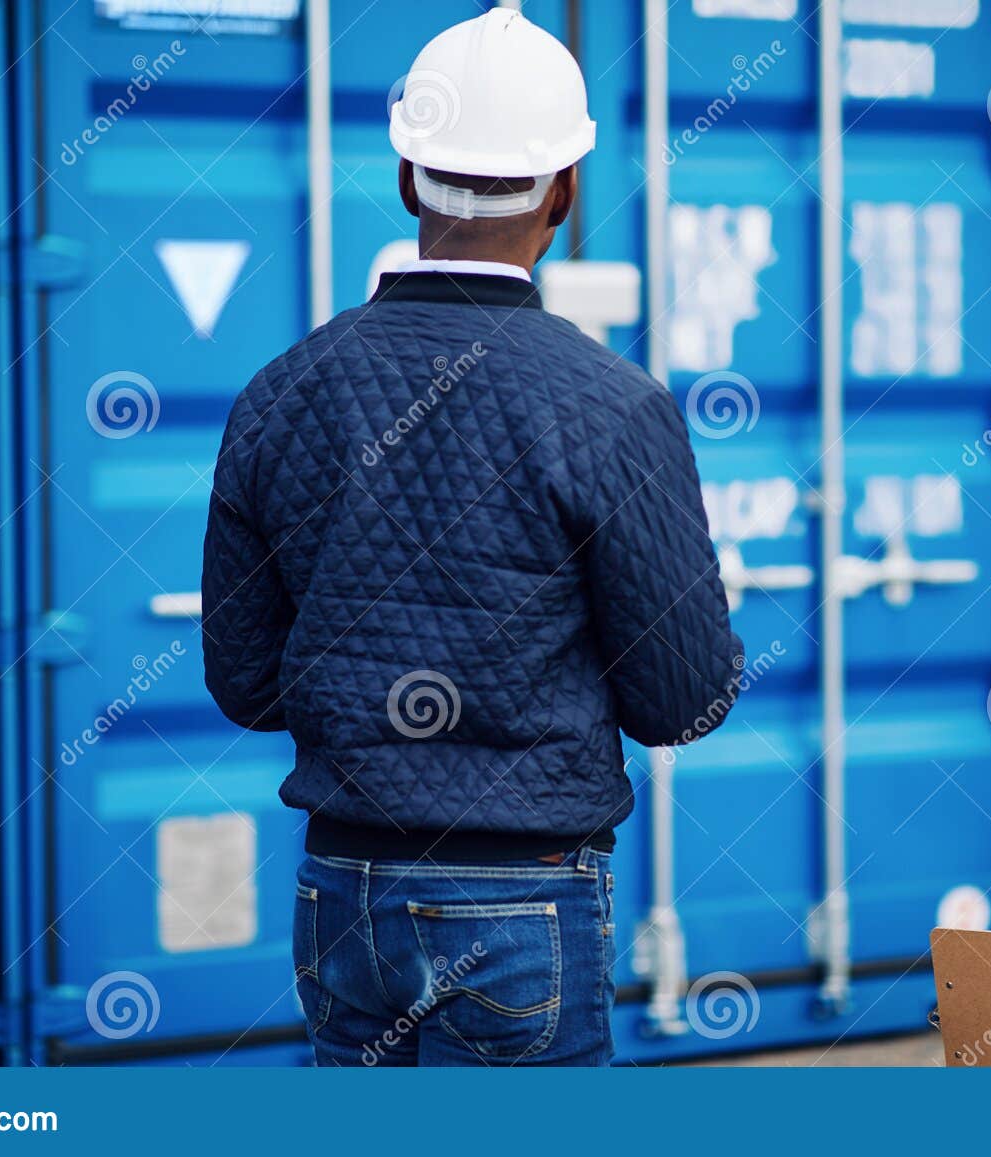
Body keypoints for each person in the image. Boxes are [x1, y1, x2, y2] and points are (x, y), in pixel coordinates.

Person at [200, 7, 742, 1067]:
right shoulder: (610, 406)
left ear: (407, 178)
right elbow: (682, 700)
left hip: (339, 894)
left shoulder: (281, 391)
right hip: (520, 901)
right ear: (566, 188)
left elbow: (245, 683)